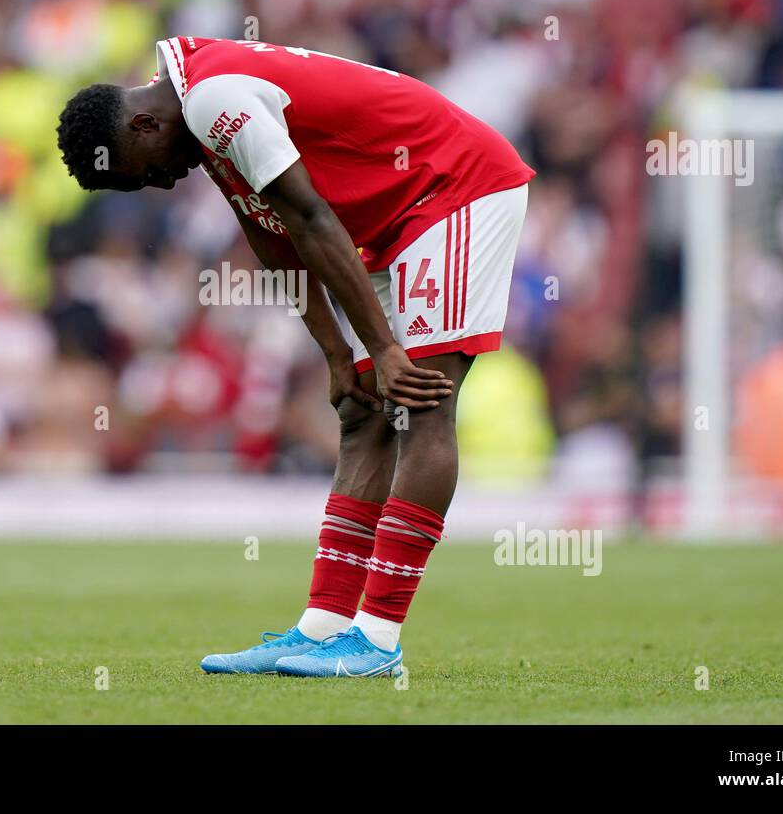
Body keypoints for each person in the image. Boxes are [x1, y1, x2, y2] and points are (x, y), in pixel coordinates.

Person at [56, 36, 534, 677]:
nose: (160, 182)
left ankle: (377, 641)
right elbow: (274, 235)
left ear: (143, 123)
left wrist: (385, 347)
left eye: (144, 171)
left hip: (453, 188)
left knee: (419, 405)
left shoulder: (215, 98)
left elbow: (311, 216)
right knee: (365, 411)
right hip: (398, 216)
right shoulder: (201, 119)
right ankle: (325, 628)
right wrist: (339, 354)